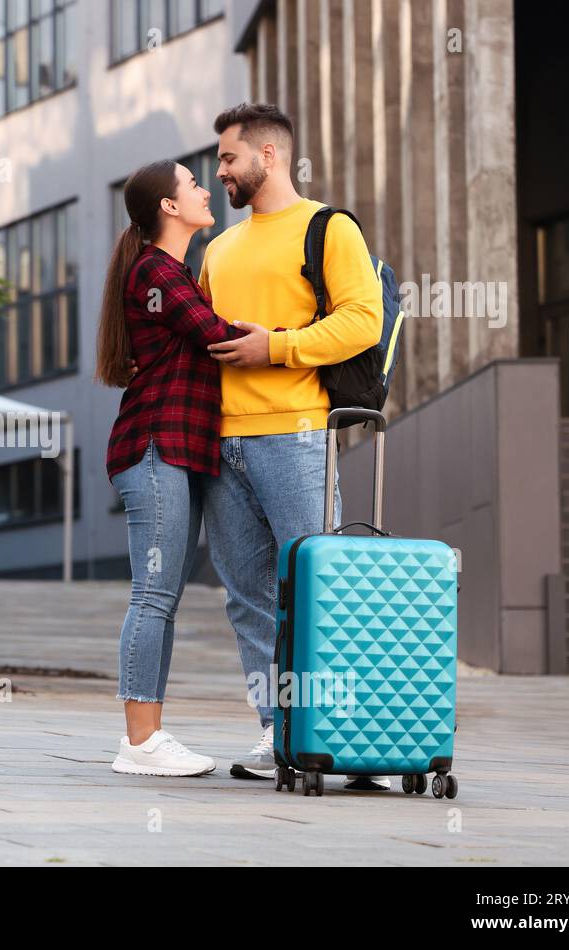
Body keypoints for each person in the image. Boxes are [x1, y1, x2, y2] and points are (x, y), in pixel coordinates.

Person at [198, 103, 387, 789]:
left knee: (318, 590)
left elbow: (363, 321)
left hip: (297, 435)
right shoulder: (217, 249)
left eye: (227, 158)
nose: (219, 171)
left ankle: (350, 740)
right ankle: (275, 732)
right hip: (224, 444)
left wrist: (274, 346)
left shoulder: (326, 227)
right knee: (248, 595)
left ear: (268, 156)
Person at [97, 159, 244, 776]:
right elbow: (214, 333)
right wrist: (303, 338)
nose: (205, 189)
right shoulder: (156, 271)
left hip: (173, 452)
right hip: (155, 448)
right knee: (153, 595)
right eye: (191, 184)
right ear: (168, 207)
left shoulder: (169, 271)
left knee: (162, 597)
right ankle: (139, 740)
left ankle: (146, 735)